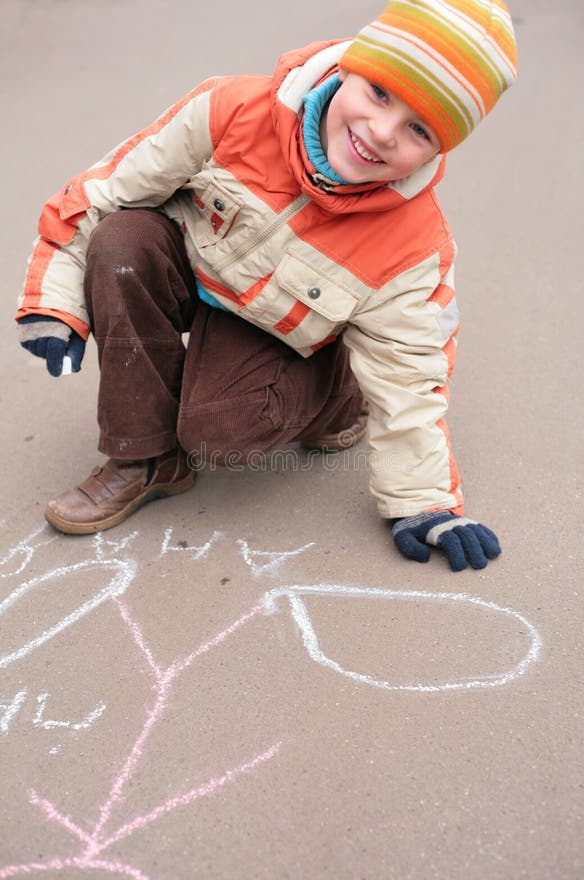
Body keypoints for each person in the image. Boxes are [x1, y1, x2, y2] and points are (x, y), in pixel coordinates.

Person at [16, 0, 517, 571]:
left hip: (287, 330)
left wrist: (425, 503)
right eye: (380, 93)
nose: (380, 132)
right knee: (121, 242)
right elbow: (103, 191)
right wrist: (53, 303)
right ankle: (147, 456)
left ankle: (336, 401)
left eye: (418, 129)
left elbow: (413, 374)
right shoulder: (232, 110)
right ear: (350, 65)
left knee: (219, 434)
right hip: (199, 273)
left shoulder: (413, 246)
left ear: (439, 148)